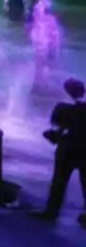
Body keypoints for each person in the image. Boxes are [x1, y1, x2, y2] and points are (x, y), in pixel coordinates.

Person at [34, 77, 86, 224]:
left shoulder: (62, 108)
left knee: (59, 181)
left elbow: (56, 129)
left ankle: (51, 212)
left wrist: (51, 135)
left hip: (67, 149)